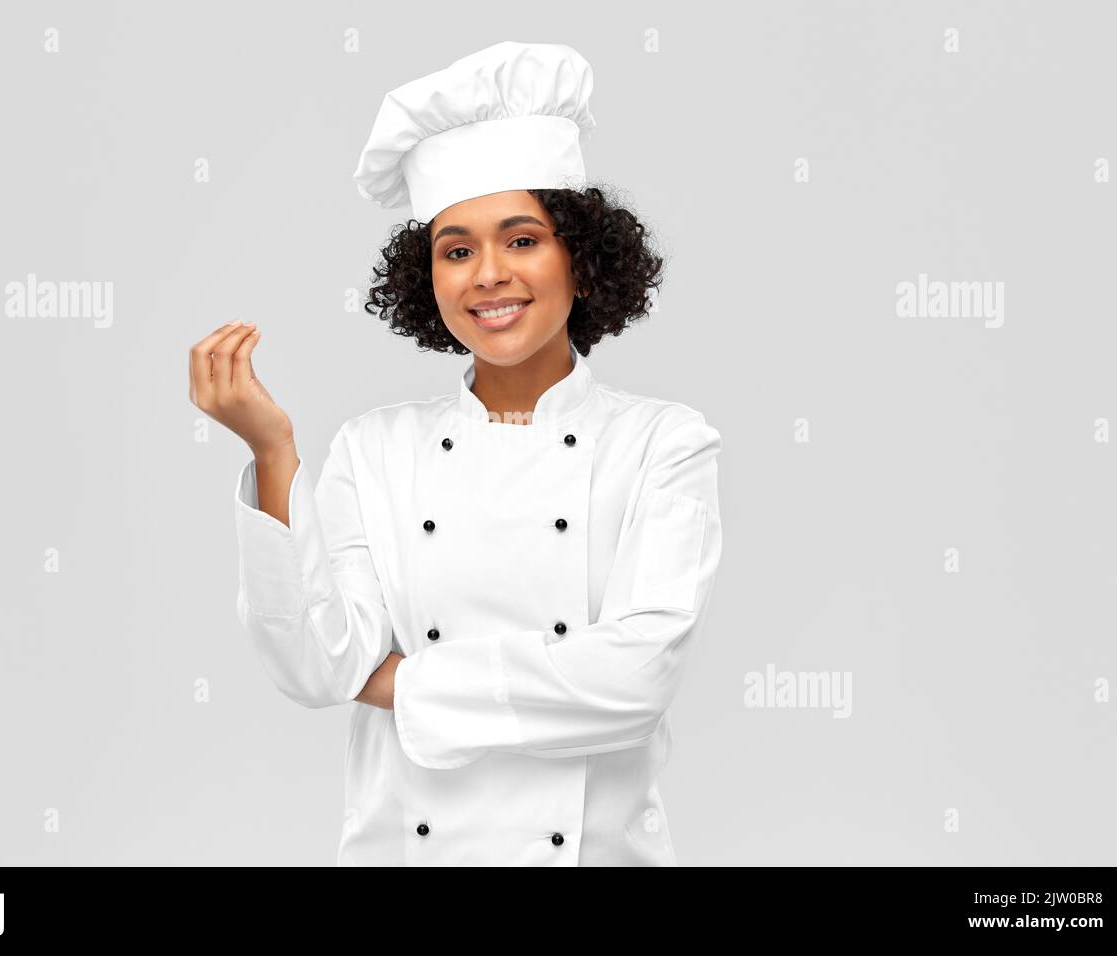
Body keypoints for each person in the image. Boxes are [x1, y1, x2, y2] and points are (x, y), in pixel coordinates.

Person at [187, 41, 723, 866]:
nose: (488, 276)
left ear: (581, 261)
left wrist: (404, 682)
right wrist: (272, 448)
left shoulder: (663, 444)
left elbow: (635, 681)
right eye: (458, 250)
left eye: (522, 239)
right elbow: (315, 665)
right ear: (428, 280)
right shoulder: (375, 450)